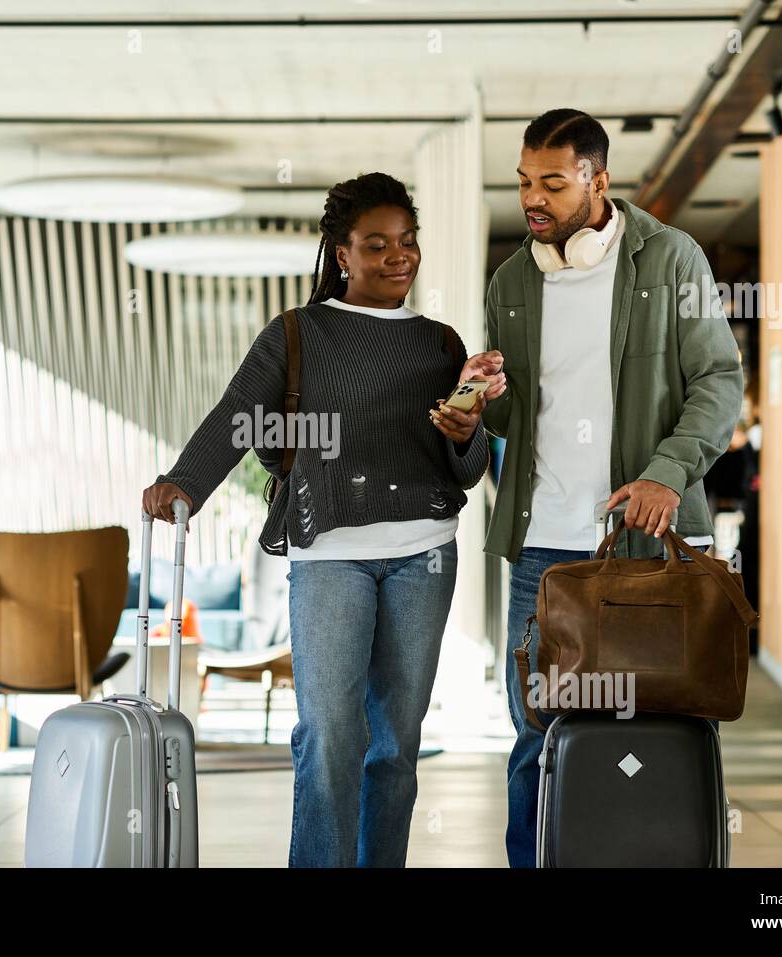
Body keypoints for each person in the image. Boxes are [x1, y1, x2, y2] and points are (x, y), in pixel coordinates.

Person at [143, 172, 489, 867]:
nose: (399, 256)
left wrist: (465, 429)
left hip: (426, 554)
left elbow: (468, 469)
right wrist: (183, 481)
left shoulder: (441, 344)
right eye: (378, 244)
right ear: (341, 252)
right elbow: (237, 416)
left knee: (395, 743)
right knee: (330, 734)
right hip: (328, 554)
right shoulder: (300, 333)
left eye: (408, 242)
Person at [460, 109, 744, 867]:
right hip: (544, 549)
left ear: (598, 180)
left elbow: (719, 380)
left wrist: (667, 469)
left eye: (553, 181)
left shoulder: (671, 259)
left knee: (673, 716)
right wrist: (492, 396)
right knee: (534, 731)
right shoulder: (514, 280)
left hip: (657, 543)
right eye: (525, 182)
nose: (534, 198)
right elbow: (522, 416)